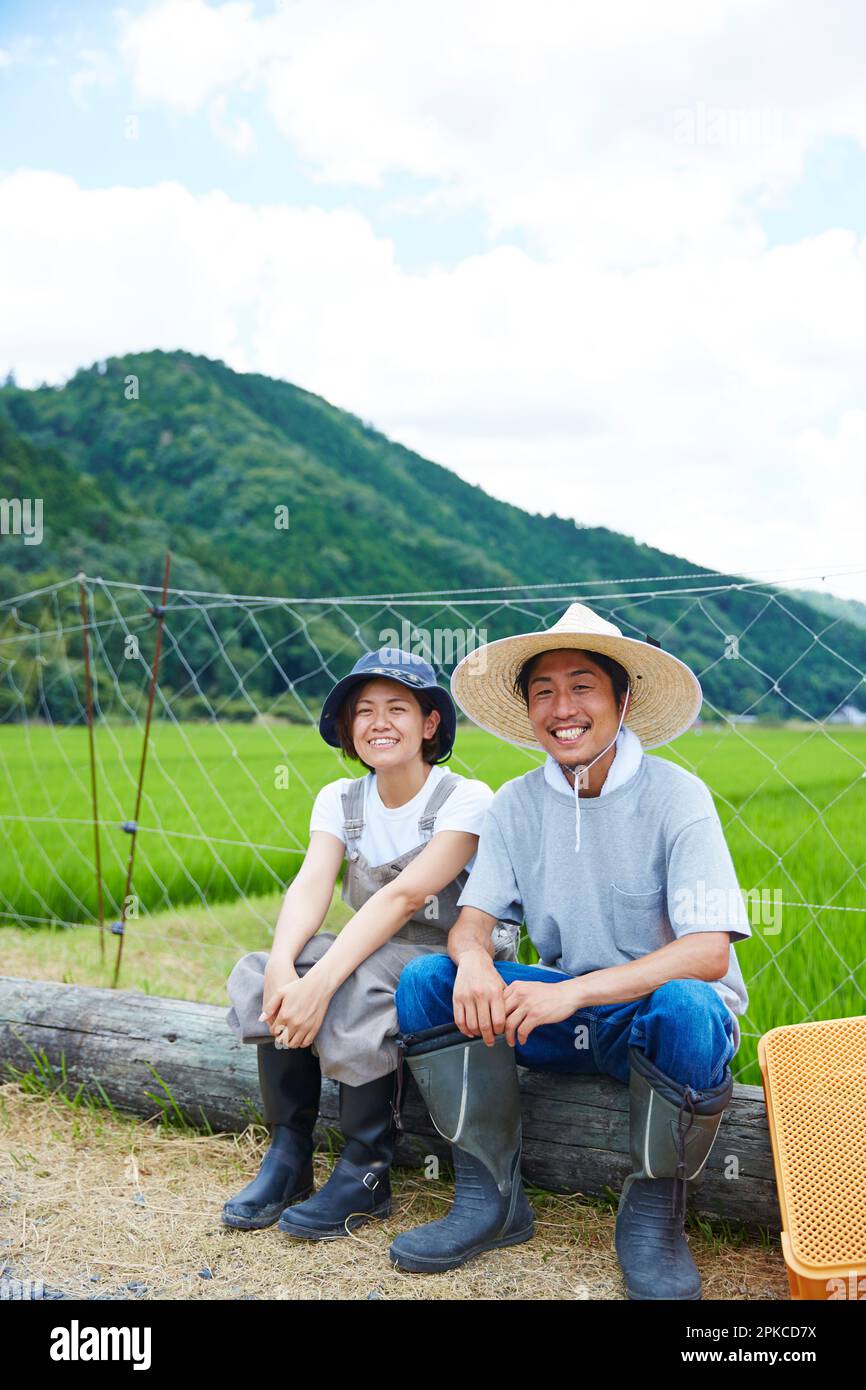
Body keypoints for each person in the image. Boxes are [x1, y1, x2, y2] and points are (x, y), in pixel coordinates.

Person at [389, 602, 752, 1300]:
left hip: (653, 1024)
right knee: (428, 979)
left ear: (624, 698)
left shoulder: (679, 797)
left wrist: (576, 991)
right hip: (557, 1017)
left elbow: (708, 953)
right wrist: (471, 961)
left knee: (689, 1005)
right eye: (543, 692)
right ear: (528, 710)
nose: (563, 708)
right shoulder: (517, 805)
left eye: (582, 685)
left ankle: (653, 1217)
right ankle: (489, 1197)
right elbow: (472, 924)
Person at [222, 647, 516, 1240]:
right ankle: (289, 1156)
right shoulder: (340, 799)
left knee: (354, 978)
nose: (378, 722)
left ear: (430, 724)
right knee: (260, 969)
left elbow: (405, 898)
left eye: (397, 708)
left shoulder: (465, 798)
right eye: (364, 711)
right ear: (349, 729)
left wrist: (321, 982)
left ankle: (366, 1170)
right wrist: (284, 967)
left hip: (450, 955)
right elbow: (311, 883)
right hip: (370, 944)